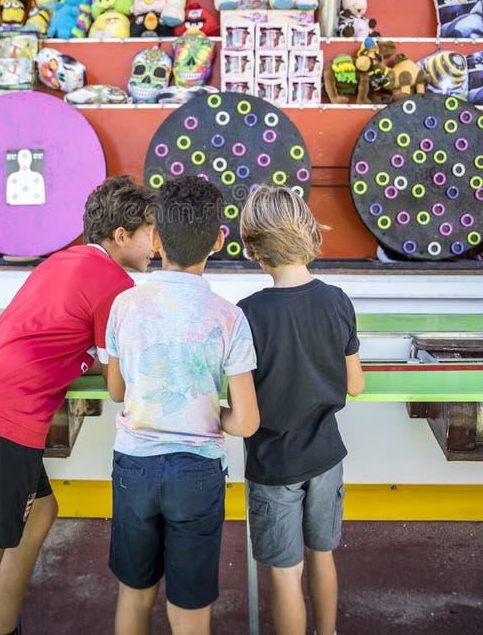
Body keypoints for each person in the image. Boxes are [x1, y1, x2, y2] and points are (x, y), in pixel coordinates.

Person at [0, 175, 156, 635]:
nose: (156, 245)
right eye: (150, 232)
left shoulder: (65, 260)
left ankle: (2, 626)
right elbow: (117, 384)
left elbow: (59, 340)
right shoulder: (116, 285)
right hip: (2, 420)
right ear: (122, 235)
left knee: (40, 513)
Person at [106, 175, 260, 635]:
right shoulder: (230, 318)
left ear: (155, 238)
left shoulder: (124, 305)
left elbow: (117, 391)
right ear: (218, 240)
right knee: (189, 606)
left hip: (134, 467)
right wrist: (207, 412)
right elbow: (246, 421)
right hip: (197, 472)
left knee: (134, 594)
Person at [237, 185, 365, 635]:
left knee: (285, 574)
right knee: (322, 556)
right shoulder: (337, 300)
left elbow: (241, 398)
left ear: (254, 247)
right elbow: (355, 384)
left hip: (274, 464)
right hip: (326, 457)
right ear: (308, 232)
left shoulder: (247, 314)